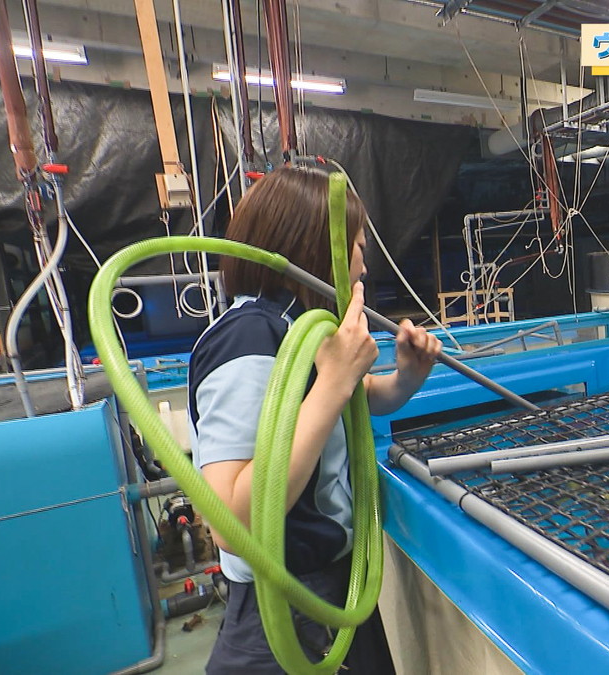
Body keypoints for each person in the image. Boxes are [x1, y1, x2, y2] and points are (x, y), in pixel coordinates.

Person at [188, 166, 441, 673]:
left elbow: (355, 400)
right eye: (359, 250)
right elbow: (233, 522)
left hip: (331, 586)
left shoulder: (301, 330)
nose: (363, 269)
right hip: (281, 605)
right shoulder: (249, 340)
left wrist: (406, 378)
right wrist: (333, 381)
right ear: (316, 248)